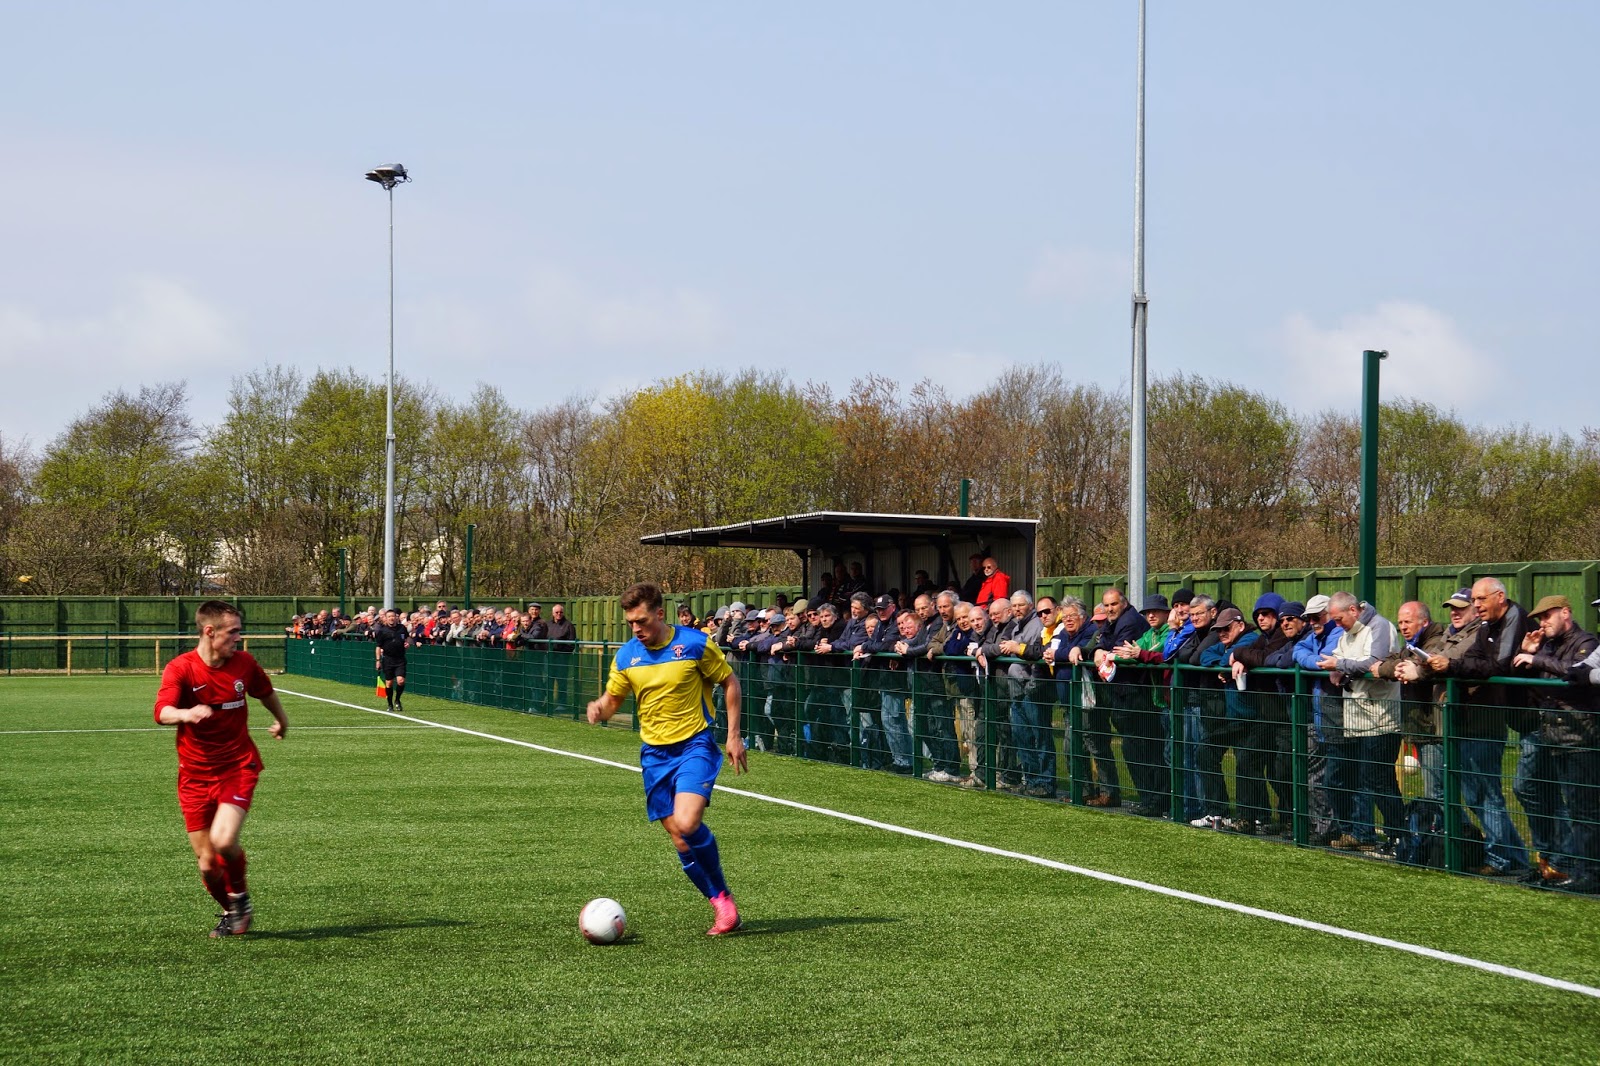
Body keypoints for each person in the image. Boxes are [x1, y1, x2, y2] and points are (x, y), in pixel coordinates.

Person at [586, 582, 747, 936]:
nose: (636, 629)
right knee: (678, 838)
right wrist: (601, 707)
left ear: (660, 613)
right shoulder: (627, 655)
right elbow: (613, 700)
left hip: (695, 745)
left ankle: (723, 900)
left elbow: (730, 682)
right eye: (630, 623)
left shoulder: (693, 644)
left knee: (688, 824)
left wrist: (734, 735)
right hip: (654, 755)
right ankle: (720, 900)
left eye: (642, 620)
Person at [154, 600, 289, 937]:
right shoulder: (181, 668)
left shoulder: (243, 663)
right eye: (233, 633)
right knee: (207, 863)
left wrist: (281, 719)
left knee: (223, 838)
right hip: (194, 776)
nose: (238, 640)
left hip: (237, 766)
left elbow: (265, 691)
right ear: (209, 631)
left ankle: (240, 897)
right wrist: (185, 714)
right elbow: (162, 711)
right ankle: (231, 911)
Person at [372, 606, 410, 712]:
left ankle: (397, 700)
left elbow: (407, 639)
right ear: (386, 618)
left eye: (393, 616)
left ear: (396, 617)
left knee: (401, 681)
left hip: (400, 659)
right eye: (389, 617)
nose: (391, 618)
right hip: (388, 660)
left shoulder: (402, 628)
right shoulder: (382, 631)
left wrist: (407, 644)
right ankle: (389, 704)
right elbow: (378, 647)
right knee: (389, 683)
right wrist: (378, 661)